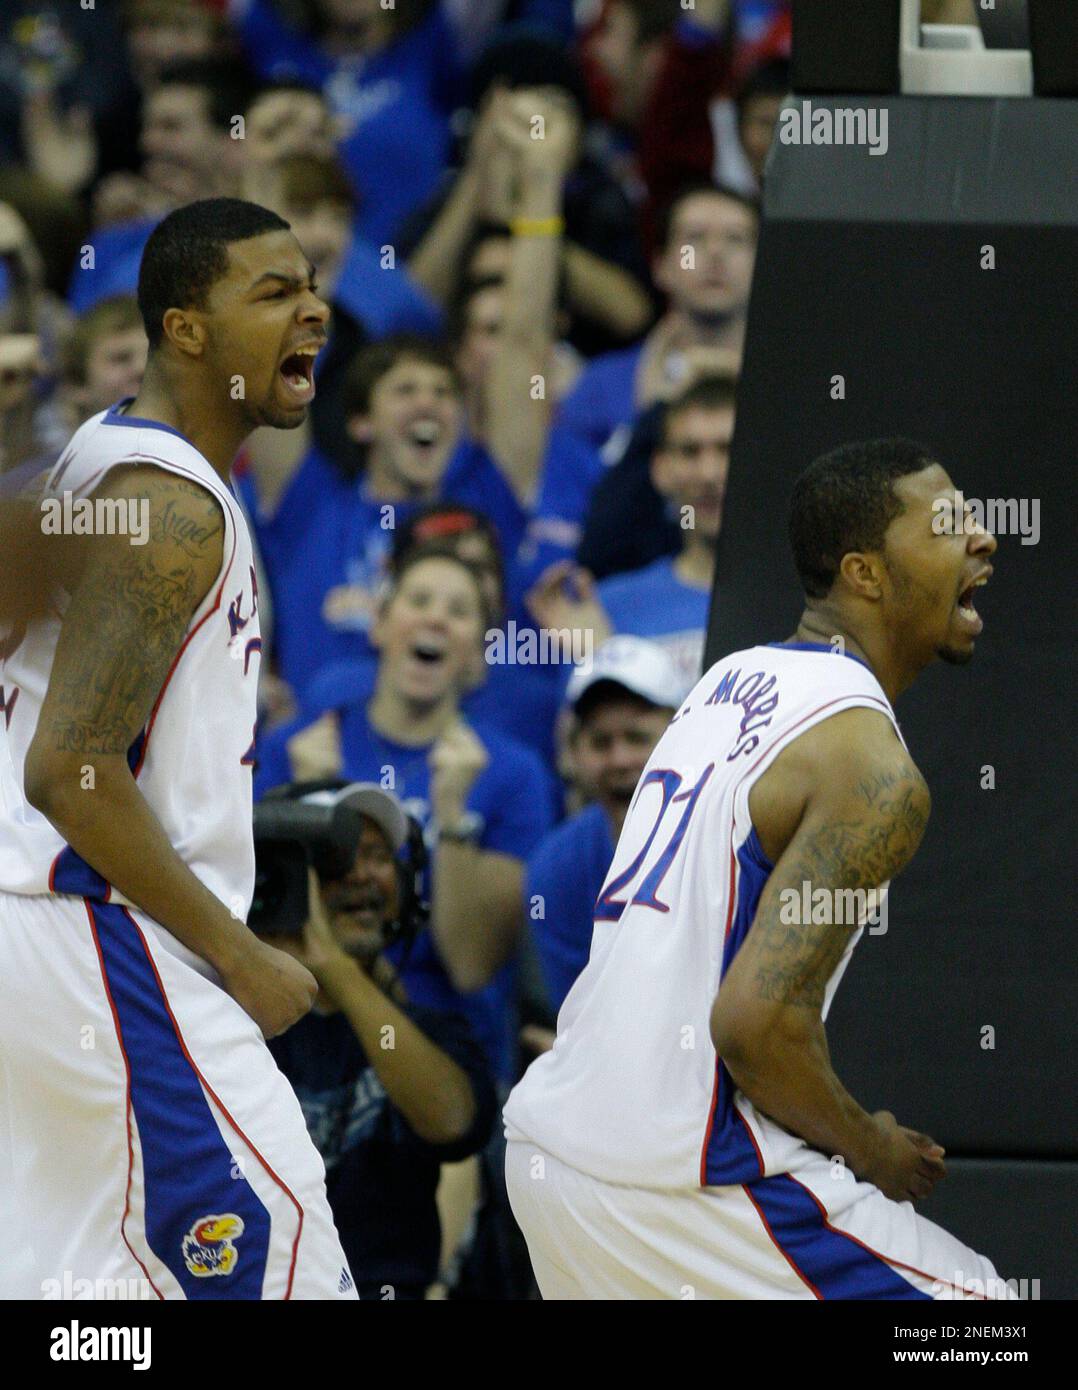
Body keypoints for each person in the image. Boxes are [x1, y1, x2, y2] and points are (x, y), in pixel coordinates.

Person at [504, 438, 1015, 1299]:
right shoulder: (873, 769)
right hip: (682, 1177)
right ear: (867, 574)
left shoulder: (730, 678)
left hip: (554, 1156)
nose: (985, 538)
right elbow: (752, 1026)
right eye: (948, 525)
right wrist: (869, 1145)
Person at [0, 197, 358, 1299]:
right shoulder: (164, 505)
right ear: (184, 329)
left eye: (310, 287)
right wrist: (242, 956)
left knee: (87, 1290)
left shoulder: (81, 476)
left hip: (52, 935)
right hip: (99, 928)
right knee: (289, 1263)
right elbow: (71, 770)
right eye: (272, 292)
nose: (312, 311)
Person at [253, 545, 556, 1085]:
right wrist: (303, 801)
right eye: (418, 600)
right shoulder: (295, 750)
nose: (436, 617)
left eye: (460, 611)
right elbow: (261, 928)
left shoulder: (514, 773)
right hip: (303, 1029)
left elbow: (470, 965)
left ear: (478, 656)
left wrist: (455, 818)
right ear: (380, 626)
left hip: (445, 1042)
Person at [260, 781, 497, 1301]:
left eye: (377, 855)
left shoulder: (431, 1032)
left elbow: (455, 1125)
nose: (363, 875)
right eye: (338, 856)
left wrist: (337, 971)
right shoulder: (230, 1023)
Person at [528, 372, 736, 690]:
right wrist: (603, 653)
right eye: (690, 452)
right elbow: (588, 738)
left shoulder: (803, 601)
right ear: (661, 470)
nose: (709, 473)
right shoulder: (605, 610)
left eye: (727, 449)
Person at [528, 636, 685, 1012]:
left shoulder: (731, 844)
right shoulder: (556, 869)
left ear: (684, 735)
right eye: (600, 742)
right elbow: (582, 1018)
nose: (620, 759)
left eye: (637, 737)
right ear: (574, 753)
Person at [556, 181, 756, 463]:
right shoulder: (599, 387)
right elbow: (575, 497)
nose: (715, 252)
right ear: (660, 265)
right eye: (695, 238)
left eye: (735, 238)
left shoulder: (794, 383)